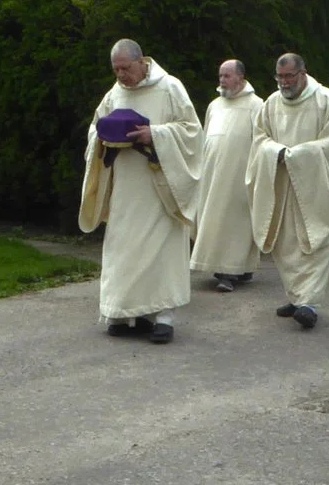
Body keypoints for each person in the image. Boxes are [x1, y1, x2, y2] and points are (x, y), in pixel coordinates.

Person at [79, 39, 200, 344]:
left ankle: (162, 317)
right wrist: (102, 137)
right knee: (123, 248)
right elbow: (95, 128)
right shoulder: (115, 93)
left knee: (159, 252)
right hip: (125, 189)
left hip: (160, 188)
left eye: (125, 68)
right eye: (116, 69)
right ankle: (121, 312)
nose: (121, 75)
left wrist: (154, 135)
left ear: (141, 61)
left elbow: (192, 132)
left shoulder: (170, 88)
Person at [243, 53, 329, 330]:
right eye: (279, 77)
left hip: (316, 189)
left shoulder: (327, 101)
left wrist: (297, 157)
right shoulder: (271, 104)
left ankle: (310, 304)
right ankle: (296, 297)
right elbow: (260, 139)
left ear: (303, 73)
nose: (284, 82)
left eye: (289, 76)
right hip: (281, 187)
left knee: (314, 243)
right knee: (286, 243)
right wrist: (276, 153)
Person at [190, 59, 266, 292]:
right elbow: (205, 137)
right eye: (220, 76)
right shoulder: (215, 105)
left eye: (227, 76)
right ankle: (224, 268)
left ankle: (230, 272)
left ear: (241, 78)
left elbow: (262, 140)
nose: (222, 80)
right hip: (213, 176)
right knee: (213, 220)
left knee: (235, 224)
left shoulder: (257, 105)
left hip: (239, 176)